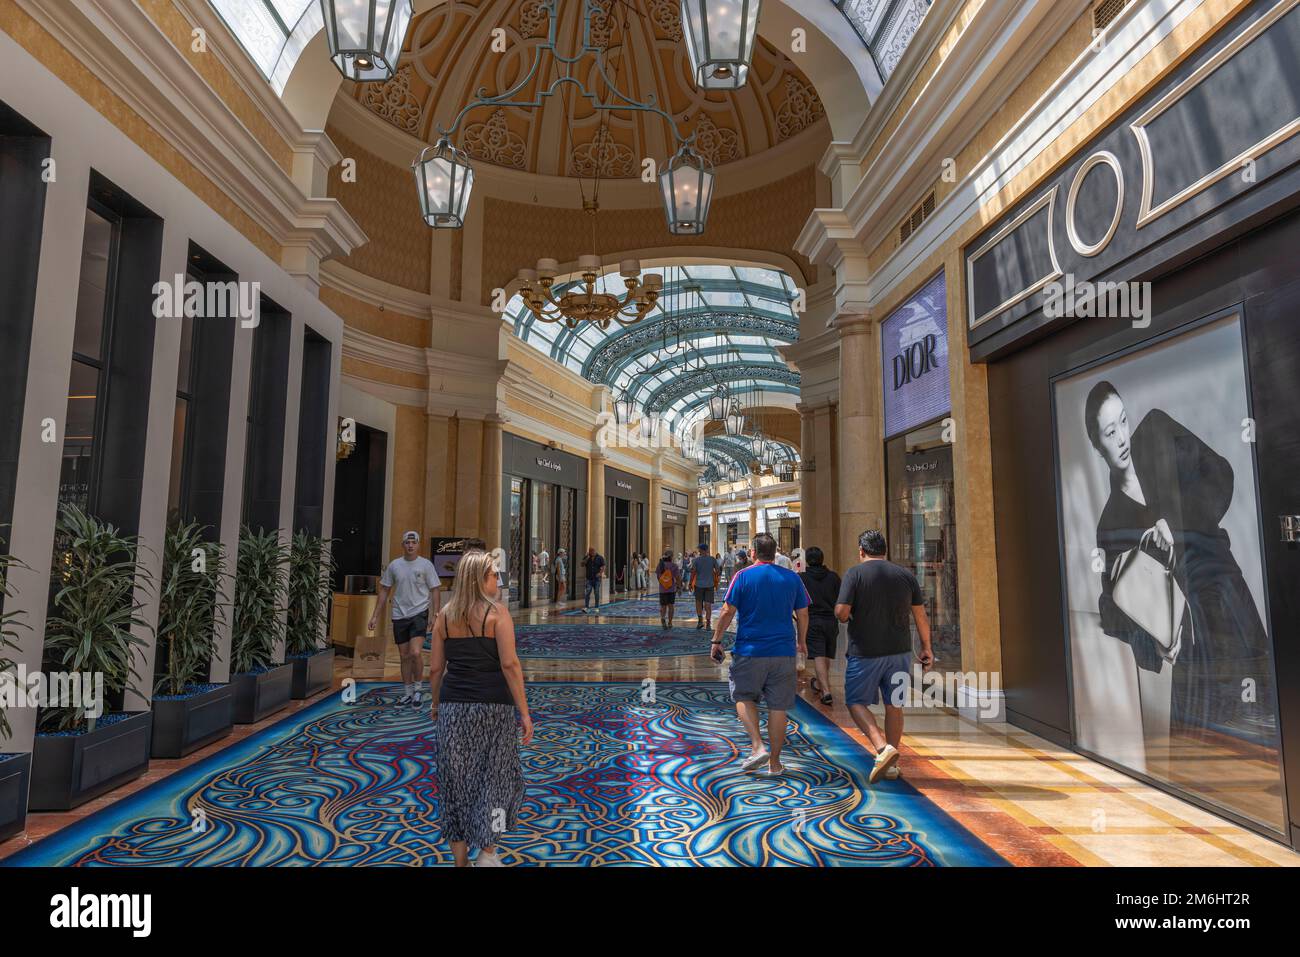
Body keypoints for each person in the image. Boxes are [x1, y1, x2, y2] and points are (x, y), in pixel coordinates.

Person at [1085, 381, 1270, 740]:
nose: (1122, 437)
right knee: (1204, 754)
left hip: (1227, 606)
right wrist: (1151, 640)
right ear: (1097, 444)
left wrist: (1174, 522)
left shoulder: (1156, 432)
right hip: (1189, 654)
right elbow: (1112, 607)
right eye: (1110, 432)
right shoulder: (1110, 523)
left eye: (1123, 421)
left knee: (1268, 731)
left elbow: (1220, 474)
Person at [426, 550, 532, 867]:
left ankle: (461, 863)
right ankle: (487, 852)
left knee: (454, 784)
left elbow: (434, 669)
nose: (496, 580)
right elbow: (510, 665)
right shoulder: (497, 614)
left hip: (454, 708)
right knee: (496, 779)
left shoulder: (444, 616)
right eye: (492, 575)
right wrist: (524, 712)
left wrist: (435, 703)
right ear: (479, 579)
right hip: (493, 708)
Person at [835, 530, 933, 783]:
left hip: (865, 651)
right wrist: (927, 647)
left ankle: (882, 748)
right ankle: (890, 764)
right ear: (885, 550)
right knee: (895, 705)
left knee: (856, 701)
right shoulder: (905, 575)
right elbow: (921, 616)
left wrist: (845, 614)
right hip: (900, 652)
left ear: (861, 550)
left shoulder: (854, 574)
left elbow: (842, 612)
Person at [711, 532, 809, 776]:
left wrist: (716, 640)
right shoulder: (791, 578)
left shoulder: (742, 576)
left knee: (743, 695)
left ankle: (757, 746)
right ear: (775, 554)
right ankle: (775, 763)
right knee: (779, 707)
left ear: (753, 553)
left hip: (751, 650)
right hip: (784, 651)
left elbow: (726, 611)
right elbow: (804, 613)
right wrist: (802, 642)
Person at [369, 531, 439, 707]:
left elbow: (435, 589)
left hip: (419, 613)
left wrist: (435, 614)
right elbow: (384, 590)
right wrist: (375, 615)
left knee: (415, 652)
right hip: (399, 614)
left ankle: (418, 690)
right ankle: (407, 692)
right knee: (404, 656)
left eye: (413, 542)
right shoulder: (394, 566)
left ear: (418, 544)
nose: (410, 545)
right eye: (407, 542)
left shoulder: (426, 565)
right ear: (403, 545)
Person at [799, 547, 841, 706]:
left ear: (807, 561)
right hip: (831, 620)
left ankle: (826, 690)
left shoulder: (802, 578)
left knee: (818, 655)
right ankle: (819, 684)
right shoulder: (833, 577)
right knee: (825, 655)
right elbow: (841, 597)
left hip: (812, 620)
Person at [689, 543, 720, 631]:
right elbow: (718, 572)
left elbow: (693, 572)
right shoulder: (712, 559)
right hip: (710, 585)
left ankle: (700, 621)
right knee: (708, 605)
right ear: (707, 550)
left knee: (698, 603)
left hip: (699, 585)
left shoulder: (696, 560)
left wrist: (690, 583)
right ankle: (708, 624)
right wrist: (714, 576)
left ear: (701, 550)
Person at [655, 549, 682, 630]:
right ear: (671, 557)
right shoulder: (674, 566)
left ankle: (663, 618)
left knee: (663, 606)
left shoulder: (660, 565)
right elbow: (678, 578)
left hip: (662, 589)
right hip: (671, 589)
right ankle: (670, 622)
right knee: (671, 606)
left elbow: (658, 577)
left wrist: (663, 583)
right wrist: (679, 587)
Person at [581, 546, 605, 614]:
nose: (591, 552)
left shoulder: (600, 558)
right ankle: (586, 607)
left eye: (592, 551)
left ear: (595, 551)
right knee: (587, 592)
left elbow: (603, 566)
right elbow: (582, 564)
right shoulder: (587, 558)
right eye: (590, 551)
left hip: (597, 579)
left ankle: (596, 607)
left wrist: (600, 573)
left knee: (596, 592)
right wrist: (586, 559)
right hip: (589, 578)